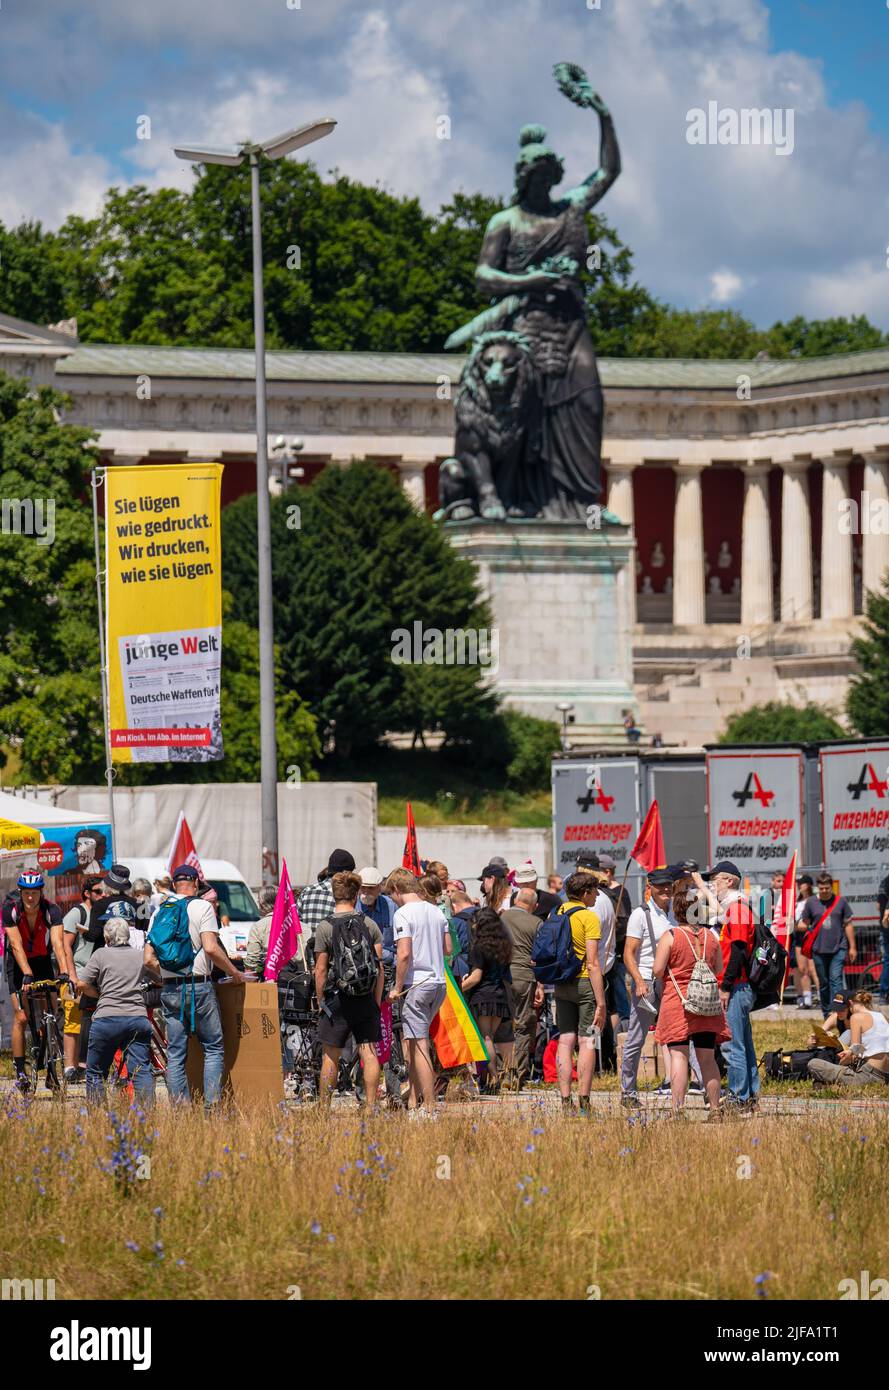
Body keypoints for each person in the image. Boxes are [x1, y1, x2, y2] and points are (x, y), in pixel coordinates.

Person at [143, 862, 247, 1109]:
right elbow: (210, 948)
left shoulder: (160, 911)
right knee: (213, 1047)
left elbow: (147, 958)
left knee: (176, 1054)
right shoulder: (203, 907)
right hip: (199, 986)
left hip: (170, 989)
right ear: (197, 883)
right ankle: (211, 1108)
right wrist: (234, 972)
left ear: (174, 884)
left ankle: (181, 1110)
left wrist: (166, 976)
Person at [312, 870, 384, 1109]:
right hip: (364, 997)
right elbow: (379, 968)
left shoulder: (325, 927)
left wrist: (321, 1001)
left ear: (335, 896)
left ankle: (324, 1108)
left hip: (336, 999)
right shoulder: (369, 924)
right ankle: (371, 1106)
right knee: (368, 1052)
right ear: (355, 896)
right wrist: (375, 1000)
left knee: (330, 1055)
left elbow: (320, 970)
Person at [77, 902, 159, 1106]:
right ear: (128, 936)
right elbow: (159, 978)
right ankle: (146, 1116)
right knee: (141, 1071)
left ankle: (98, 1116)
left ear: (106, 938)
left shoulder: (100, 955)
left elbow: (82, 984)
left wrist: (98, 994)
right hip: (137, 1019)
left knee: (95, 1071)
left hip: (106, 1020)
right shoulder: (139, 956)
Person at [652, 906, 729, 1117]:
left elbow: (658, 970)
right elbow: (719, 967)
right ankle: (714, 1108)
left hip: (678, 1002)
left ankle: (678, 1110)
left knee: (679, 1056)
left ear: (678, 912)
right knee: (707, 1057)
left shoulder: (671, 936)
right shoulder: (711, 937)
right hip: (706, 1003)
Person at [387, 867, 452, 1117]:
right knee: (414, 1043)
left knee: (420, 1045)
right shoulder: (436, 911)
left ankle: (429, 1107)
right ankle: (414, 1102)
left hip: (417, 984)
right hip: (438, 983)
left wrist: (397, 987)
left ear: (396, 890)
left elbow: (403, 954)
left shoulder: (403, 914)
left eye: (391, 895)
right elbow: (448, 949)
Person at [3, 871, 66, 1093]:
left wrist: (65, 971)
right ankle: (20, 1072)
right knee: (21, 1017)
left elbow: (58, 944)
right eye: (27, 893)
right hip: (17, 964)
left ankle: (51, 1071)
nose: (31, 897)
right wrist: (27, 974)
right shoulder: (10, 910)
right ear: (20, 893)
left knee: (52, 1009)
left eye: (35, 893)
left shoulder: (52, 910)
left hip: (41, 960)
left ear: (41, 892)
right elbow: (16, 943)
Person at [621, 868, 676, 1109]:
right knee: (636, 1038)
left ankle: (698, 1086)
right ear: (649, 888)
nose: (665, 890)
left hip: (670, 983)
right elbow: (628, 954)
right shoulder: (639, 915)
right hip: (646, 984)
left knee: (683, 1036)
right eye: (660, 886)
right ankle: (628, 1091)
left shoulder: (674, 913)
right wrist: (639, 982)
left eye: (668, 886)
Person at [708, 859, 760, 1114]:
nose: (712, 885)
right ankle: (750, 1095)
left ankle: (739, 1097)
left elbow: (739, 950)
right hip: (738, 986)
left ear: (729, 881)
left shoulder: (737, 910)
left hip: (736, 987)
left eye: (715, 880)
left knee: (733, 1044)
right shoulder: (732, 909)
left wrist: (725, 986)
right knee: (744, 1043)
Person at [553, 872, 606, 1115]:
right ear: (585, 893)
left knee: (565, 1040)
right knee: (588, 1040)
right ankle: (584, 1102)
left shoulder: (557, 912)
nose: (596, 896)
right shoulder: (588, 917)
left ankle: (565, 1102)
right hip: (585, 982)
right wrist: (601, 1002)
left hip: (561, 983)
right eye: (594, 891)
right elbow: (593, 962)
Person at [460, 907, 515, 1090]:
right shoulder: (504, 945)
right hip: (500, 994)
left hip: (483, 995)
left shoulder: (478, 947)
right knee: (490, 1036)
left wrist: (458, 989)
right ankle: (497, 1076)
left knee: (486, 1038)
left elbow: (476, 976)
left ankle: (493, 1079)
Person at [60, 876, 107, 1084]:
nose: (103, 895)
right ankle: (70, 1067)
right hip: (77, 973)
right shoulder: (76, 913)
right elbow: (65, 946)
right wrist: (71, 975)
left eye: (104, 891)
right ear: (87, 893)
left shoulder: (101, 912)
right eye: (98, 891)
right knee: (72, 1022)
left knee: (93, 1022)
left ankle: (88, 1066)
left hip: (96, 977)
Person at [798, 872, 856, 1019]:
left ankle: (837, 1013)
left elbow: (848, 924)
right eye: (822, 888)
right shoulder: (811, 902)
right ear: (818, 888)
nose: (824, 891)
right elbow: (805, 923)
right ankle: (826, 1013)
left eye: (827, 888)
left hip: (838, 947)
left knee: (835, 980)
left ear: (832, 887)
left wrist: (852, 946)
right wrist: (796, 925)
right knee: (823, 983)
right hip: (818, 949)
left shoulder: (841, 902)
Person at [501, 885, 541, 1086]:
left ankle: (502, 1072)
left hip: (503, 976)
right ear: (534, 905)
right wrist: (540, 986)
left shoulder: (500, 918)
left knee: (503, 1024)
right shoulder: (536, 922)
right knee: (524, 1025)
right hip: (525, 976)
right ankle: (517, 1074)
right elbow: (540, 956)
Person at [807, 989, 889, 1087]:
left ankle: (825, 1082)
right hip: (886, 1074)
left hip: (869, 1074)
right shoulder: (881, 1016)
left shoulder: (856, 1017)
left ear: (850, 1003)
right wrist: (850, 1052)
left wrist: (844, 1060)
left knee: (813, 1064)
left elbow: (855, 1051)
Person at [599, 853, 630, 1029]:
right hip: (603, 956)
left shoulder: (620, 892)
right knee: (608, 1004)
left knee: (619, 1002)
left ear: (608, 872)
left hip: (616, 955)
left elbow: (622, 923)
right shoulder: (601, 891)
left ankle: (622, 1042)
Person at [297, 849, 356, 941]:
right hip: (331, 952)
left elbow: (297, 922)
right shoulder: (343, 895)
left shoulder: (307, 891)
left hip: (305, 951)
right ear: (346, 873)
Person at [243, 886, 284, 977]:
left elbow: (252, 962)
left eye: (258, 900)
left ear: (262, 903)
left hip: (269, 979)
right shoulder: (296, 923)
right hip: (296, 980)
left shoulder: (258, 926)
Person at [793, 874, 819, 1010]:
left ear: (808, 885)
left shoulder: (814, 900)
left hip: (811, 936)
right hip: (799, 937)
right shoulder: (797, 902)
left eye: (802, 883)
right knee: (802, 969)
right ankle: (807, 998)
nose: (799, 886)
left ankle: (821, 996)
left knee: (813, 969)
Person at [876, 872, 889, 1004]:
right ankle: (885, 992)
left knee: (887, 961)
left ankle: (884, 993)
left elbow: (878, 906)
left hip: (885, 929)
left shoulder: (884, 882)